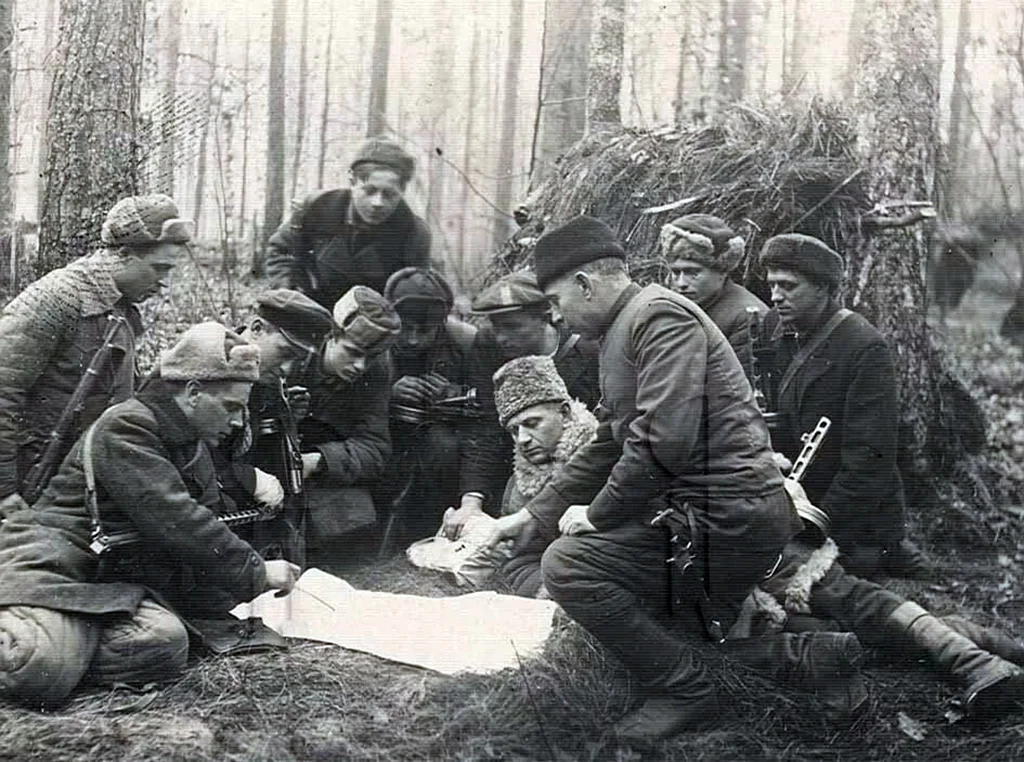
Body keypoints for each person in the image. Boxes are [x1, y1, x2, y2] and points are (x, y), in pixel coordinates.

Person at [485, 216, 803, 743]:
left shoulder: (659, 319)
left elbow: (662, 442)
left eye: (557, 301)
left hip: (731, 517)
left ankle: (686, 687)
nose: (556, 317)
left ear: (586, 284)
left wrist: (596, 514)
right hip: (707, 515)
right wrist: (533, 514)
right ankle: (806, 656)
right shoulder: (624, 328)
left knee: (568, 566)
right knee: (667, 619)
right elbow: (612, 441)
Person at [0, 322, 299, 708]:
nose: (239, 421)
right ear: (193, 393)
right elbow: (179, 521)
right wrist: (256, 572)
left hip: (110, 580)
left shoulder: (189, 443)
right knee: (25, 660)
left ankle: (64, 644)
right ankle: (43, 641)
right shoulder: (128, 426)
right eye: (231, 406)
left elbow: (199, 526)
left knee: (165, 641)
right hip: (54, 566)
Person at [731, 480, 1024, 719]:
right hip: (732, 577)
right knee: (827, 638)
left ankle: (975, 663)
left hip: (753, 530)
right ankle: (997, 647)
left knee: (851, 598)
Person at [0, 194, 193, 515]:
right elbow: (2, 391)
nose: (163, 283)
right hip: (30, 483)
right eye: (158, 268)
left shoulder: (122, 309)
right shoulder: (56, 299)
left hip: (76, 481)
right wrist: (3, 491)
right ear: (122, 254)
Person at [758, 233, 926, 579]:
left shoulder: (864, 348)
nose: (775, 297)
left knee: (841, 572)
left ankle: (890, 551)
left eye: (789, 286)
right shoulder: (774, 327)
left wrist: (815, 526)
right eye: (772, 284)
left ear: (823, 287)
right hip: (791, 491)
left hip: (847, 507)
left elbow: (869, 458)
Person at [443, 272, 599, 537]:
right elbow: (486, 425)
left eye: (513, 326)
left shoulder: (586, 349)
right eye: (496, 326)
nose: (502, 337)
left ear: (545, 315)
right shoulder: (488, 346)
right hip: (517, 460)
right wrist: (472, 501)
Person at [215, 289, 335, 564]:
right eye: (285, 353)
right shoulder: (211, 368)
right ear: (257, 328)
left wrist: (288, 418)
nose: (288, 368)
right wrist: (247, 477)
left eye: (299, 359)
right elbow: (189, 454)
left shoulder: (267, 379)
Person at [296, 285, 401, 561]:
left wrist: (318, 461)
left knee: (353, 528)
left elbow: (376, 448)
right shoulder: (293, 351)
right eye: (353, 352)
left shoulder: (377, 369)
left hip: (319, 471)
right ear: (331, 335)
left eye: (370, 358)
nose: (360, 366)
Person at [265, 136, 431, 309]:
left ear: (402, 191)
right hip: (310, 309)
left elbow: (413, 292)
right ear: (352, 181)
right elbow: (280, 251)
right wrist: (290, 291)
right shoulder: (317, 208)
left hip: (375, 320)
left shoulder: (413, 233)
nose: (378, 203)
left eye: (389, 194)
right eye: (369, 190)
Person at [381, 267, 477, 540]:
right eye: (405, 328)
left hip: (443, 444)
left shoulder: (466, 342)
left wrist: (456, 394)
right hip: (387, 436)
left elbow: (488, 402)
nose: (412, 339)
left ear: (442, 323)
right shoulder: (375, 338)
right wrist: (388, 391)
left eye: (424, 330)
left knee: (443, 446)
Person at [491, 354, 598, 598]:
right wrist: (546, 588)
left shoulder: (609, 460)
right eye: (514, 430)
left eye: (532, 423)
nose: (523, 439)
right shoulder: (520, 484)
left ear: (565, 413)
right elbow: (517, 561)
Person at [661, 213, 767, 369]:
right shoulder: (678, 306)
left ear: (722, 271)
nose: (681, 283)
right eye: (676, 272)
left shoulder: (747, 317)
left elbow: (741, 387)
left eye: (693, 272)